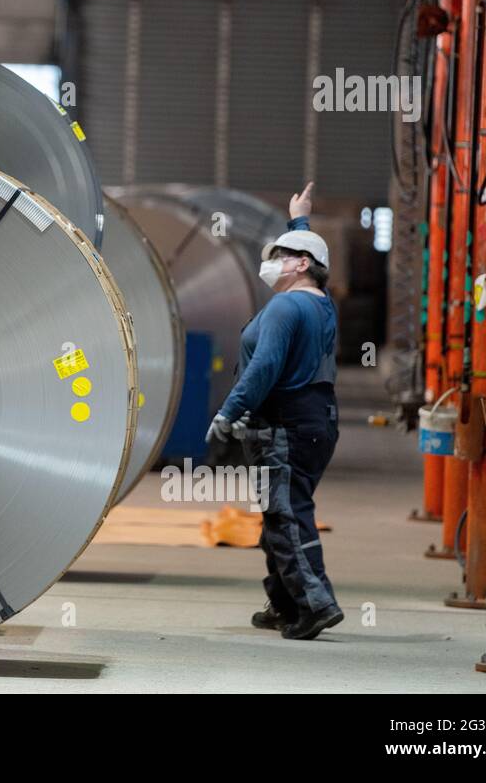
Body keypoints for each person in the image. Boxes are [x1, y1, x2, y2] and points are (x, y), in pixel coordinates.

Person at [204, 182, 341, 641]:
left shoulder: (285, 305)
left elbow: (264, 367)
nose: (270, 263)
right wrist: (298, 219)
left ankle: (315, 605)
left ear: (302, 264)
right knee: (279, 511)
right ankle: (284, 601)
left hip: (286, 424)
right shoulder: (321, 303)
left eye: (280, 255)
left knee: (286, 514)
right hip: (316, 420)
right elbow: (309, 257)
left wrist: (228, 413)